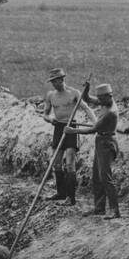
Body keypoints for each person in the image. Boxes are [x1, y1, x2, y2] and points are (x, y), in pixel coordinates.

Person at [65, 82, 120, 219]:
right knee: (97, 177)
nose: (99, 101)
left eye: (101, 99)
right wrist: (87, 88)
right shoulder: (105, 102)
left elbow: (93, 129)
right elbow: (88, 99)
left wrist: (73, 130)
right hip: (100, 141)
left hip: (107, 143)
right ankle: (99, 208)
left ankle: (115, 210)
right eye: (99, 99)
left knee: (106, 177)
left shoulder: (111, 112)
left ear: (109, 96)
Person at [41, 68, 93, 205]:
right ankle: (60, 193)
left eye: (55, 81)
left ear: (62, 80)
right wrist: (50, 119)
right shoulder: (51, 95)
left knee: (70, 164)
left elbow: (87, 108)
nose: (53, 84)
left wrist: (96, 123)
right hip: (58, 128)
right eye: (52, 82)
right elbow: (45, 114)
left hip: (71, 128)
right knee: (56, 164)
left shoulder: (73, 93)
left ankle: (71, 197)